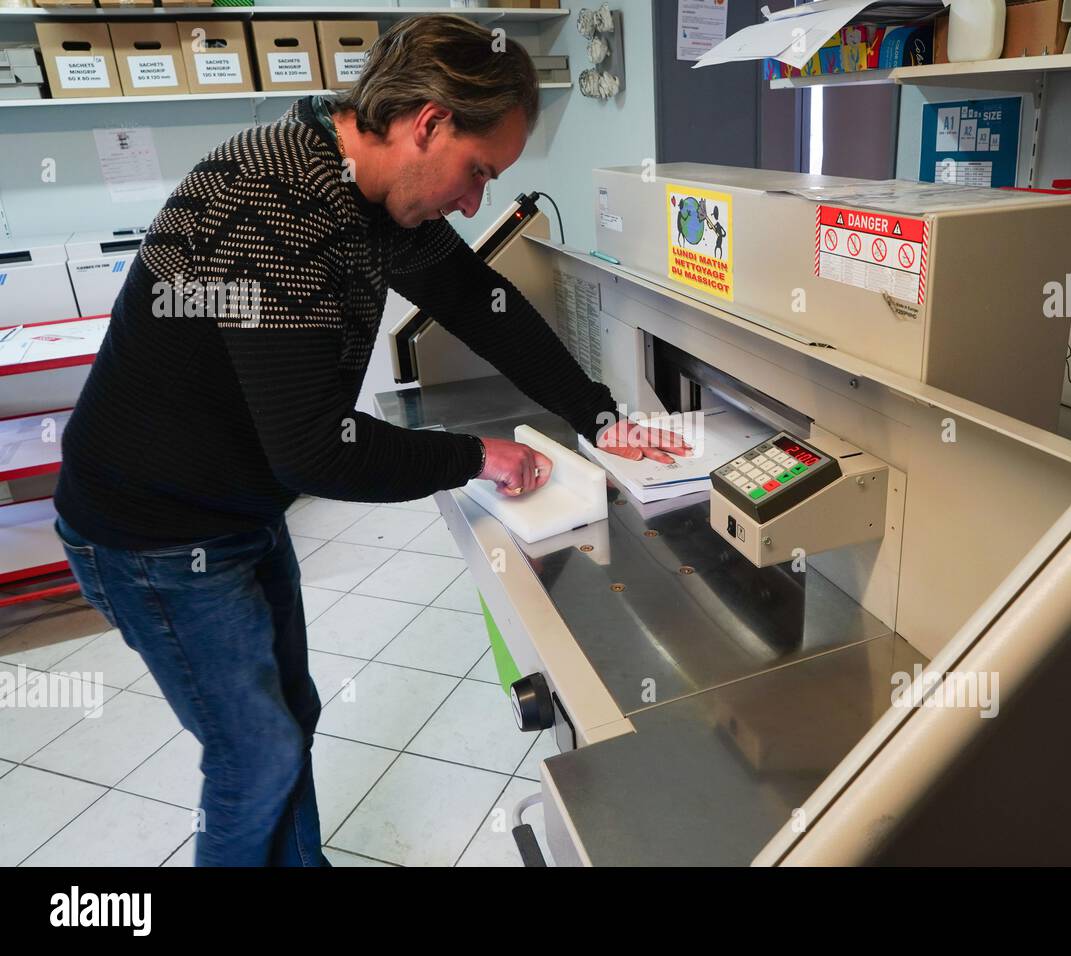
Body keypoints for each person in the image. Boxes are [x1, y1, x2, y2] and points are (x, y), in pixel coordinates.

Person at [52, 13, 687, 867]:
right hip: (151, 532)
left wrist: (599, 415)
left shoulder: (361, 180)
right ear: (428, 122)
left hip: (232, 509)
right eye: (477, 173)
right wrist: (474, 456)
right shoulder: (274, 202)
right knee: (255, 753)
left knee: (288, 719)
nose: (473, 202)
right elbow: (315, 449)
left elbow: (476, 300)